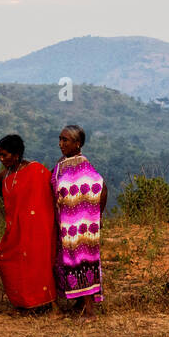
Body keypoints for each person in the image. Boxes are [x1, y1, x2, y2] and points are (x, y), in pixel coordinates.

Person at [0, 133, 57, 312]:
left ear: (17, 154)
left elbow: (49, 196)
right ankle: (24, 301)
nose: (1, 159)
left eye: (5, 155)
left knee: (39, 264)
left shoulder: (36, 170)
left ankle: (50, 305)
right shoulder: (6, 174)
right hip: (15, 230)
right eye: (0, 155)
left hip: (37, 229)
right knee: (4, 259)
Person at [52, 124, 107, 319]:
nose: (60, 144)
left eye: (65, 140)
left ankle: (89, 310)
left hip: (81, 226)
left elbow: (101, 186)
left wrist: (95, 216)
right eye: (60, 139)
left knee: (81, 260)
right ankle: (79, 303)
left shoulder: (82, 165)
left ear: (77, 143)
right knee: (69, 261)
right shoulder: (62, 164)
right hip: (66, 225)